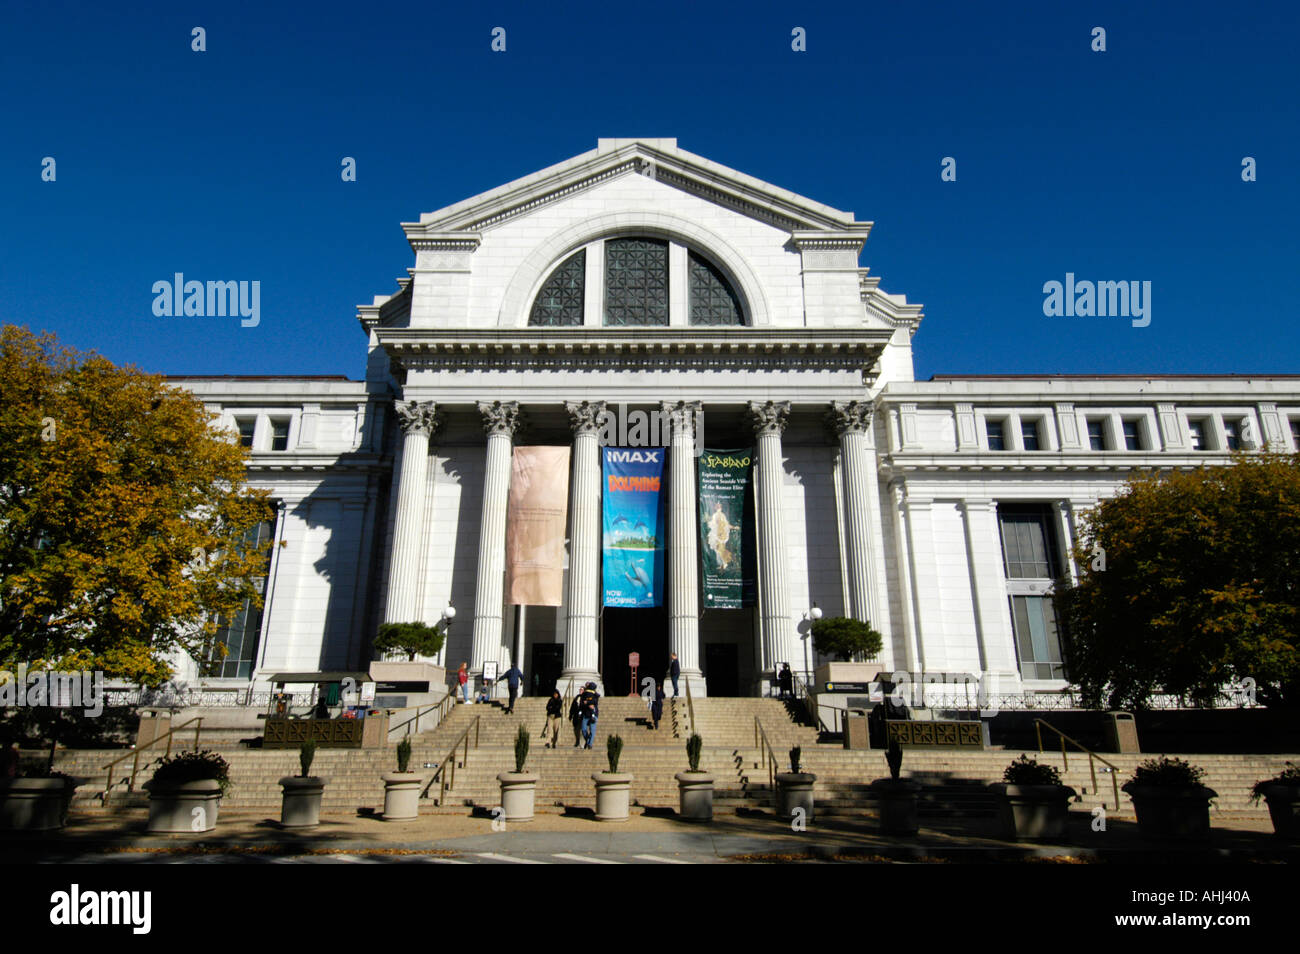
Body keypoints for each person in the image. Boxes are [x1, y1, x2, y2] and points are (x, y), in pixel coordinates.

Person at [578, 681, 600, 749]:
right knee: (584, 729)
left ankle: (590, 744)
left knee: (592, 730)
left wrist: (587, 702)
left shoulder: (595, 694)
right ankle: (588, 741)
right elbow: (582, 703)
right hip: (586, 713)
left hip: (593, 714)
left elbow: (595, 702)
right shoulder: (584, 694)